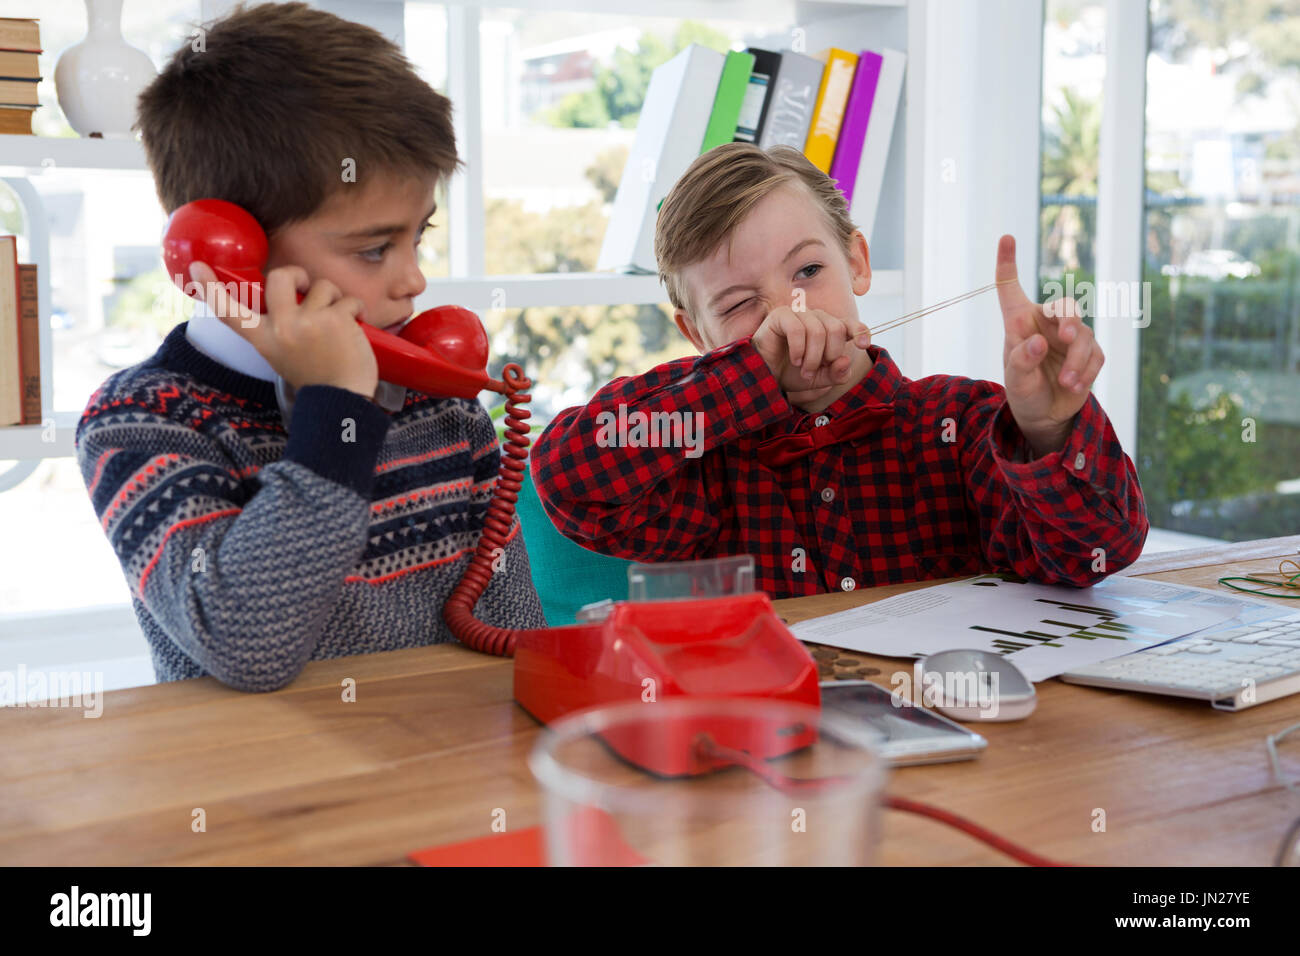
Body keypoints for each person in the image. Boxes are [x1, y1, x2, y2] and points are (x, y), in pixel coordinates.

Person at [75, 2, 543, 690]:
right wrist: (337, 413)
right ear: (229, 250)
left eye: (421, 237)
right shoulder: (143, 424)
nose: (414, 279)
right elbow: (248, 647)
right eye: (376, 248)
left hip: (444, 774)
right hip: (264, 787)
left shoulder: (444, 412)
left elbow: (514, 643)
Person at [532, 142, 1148, 597]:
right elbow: (567, 477)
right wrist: (746, 375)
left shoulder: (962, 425)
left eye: (807, 272)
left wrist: (1047, 430)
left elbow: (1095, 554)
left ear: (856, 261)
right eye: (742, 304)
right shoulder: (704, 468)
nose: (788, 314)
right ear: (697, 334)